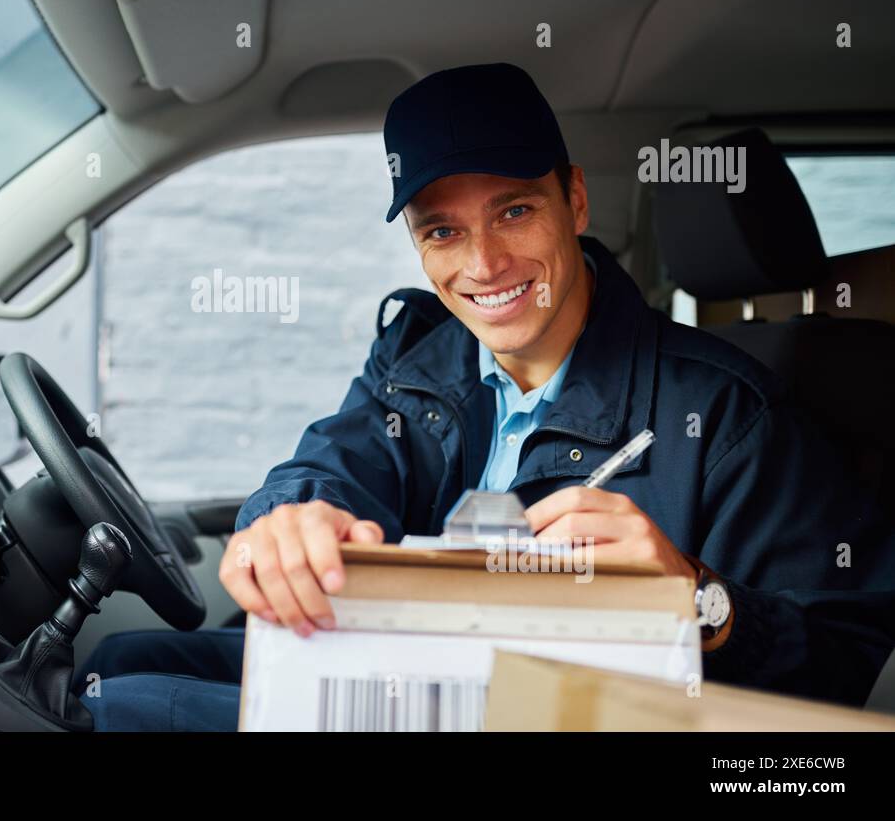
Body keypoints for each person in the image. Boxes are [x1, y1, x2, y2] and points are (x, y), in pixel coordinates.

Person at [78, 62, 895, 731]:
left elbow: (844, 670)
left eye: (513, 209)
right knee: (115, 664)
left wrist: (700, 599)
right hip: (414, 674)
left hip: (582, 714)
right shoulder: (419, 355)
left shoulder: (730, 415)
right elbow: (337, 461)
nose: (484, 264)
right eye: (442, 230)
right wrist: (292, 517)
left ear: (574, 200)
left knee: (132, 711)